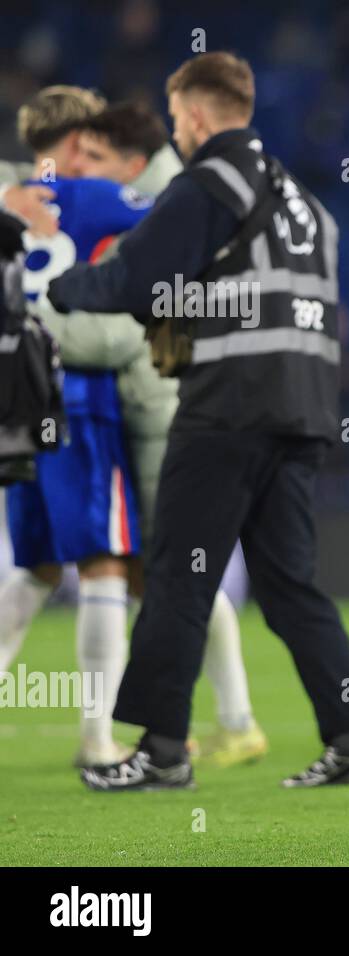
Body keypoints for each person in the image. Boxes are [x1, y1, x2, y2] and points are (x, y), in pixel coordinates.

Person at [45, 52, 349, 790]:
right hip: (303, 411)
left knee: (176, 573)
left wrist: (61, 290)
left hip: (229, 408)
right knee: (292, 584)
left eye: (177, 119)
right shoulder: (305, 200)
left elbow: (136, 277)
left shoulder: (209, 183)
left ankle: (163, 752)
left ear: (197, 116)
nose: (178, 131)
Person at [0, 86, 149, 768]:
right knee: (102, 562)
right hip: (77, 400)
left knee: (32, 564)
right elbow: (177, 223)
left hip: (13, 404)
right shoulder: (91, 198)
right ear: (73, 141)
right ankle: (96, 738)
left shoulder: (7, 199)